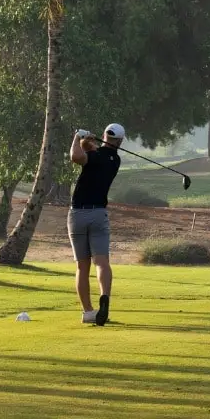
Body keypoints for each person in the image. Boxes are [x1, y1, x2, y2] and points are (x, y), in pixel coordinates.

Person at [68, 123, 124, 325]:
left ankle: (88, 312)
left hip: (78, 214)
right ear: (120, 141)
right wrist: (87, 141)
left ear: (104, 136)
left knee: (82, 267)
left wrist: (78, 137)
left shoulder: (94, 156)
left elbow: (76, 156)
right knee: (101, 262)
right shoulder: (114, 160)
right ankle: (105, 298)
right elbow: (89, 150)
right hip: (99, 214)